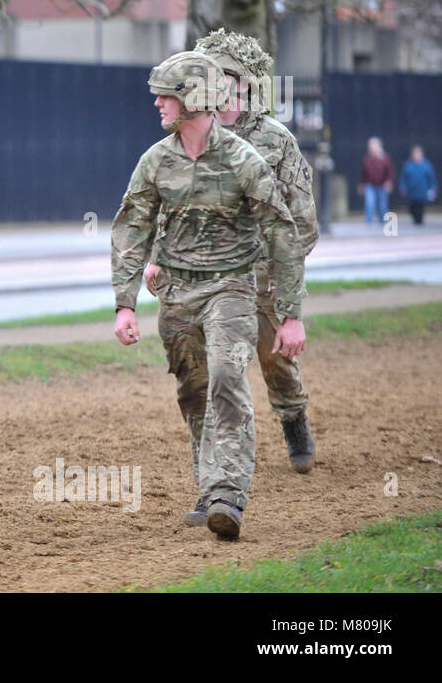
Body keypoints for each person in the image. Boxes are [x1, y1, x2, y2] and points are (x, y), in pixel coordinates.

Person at [112, 50, 307, 539]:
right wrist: (125, 302)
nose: (157, 103)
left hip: (232, 289)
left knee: (226, 377)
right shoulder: (155, 161)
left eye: (167, 95)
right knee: (193, 390)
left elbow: (284, 233)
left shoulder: (244, 159)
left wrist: (290, 315)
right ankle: (208, 485)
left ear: (194, 100)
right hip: (177, 296)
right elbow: (132, 227)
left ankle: (228, 494)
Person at [146, 29, 320, 488]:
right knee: (206, 372)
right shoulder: (190, 134)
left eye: (221, 76)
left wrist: (280, 283)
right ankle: (218, 474)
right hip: (203, 275)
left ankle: (292, 416)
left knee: (274, 357)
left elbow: (302, 223)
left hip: (261, 275)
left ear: (243, 83)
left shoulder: (274, 140)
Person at [359, 137, 394, 225]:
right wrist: (362, 184)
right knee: (370, 205)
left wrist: (389, 182)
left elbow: (390, 171)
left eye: (373, 146)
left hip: (382, 185)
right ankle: (369, 224)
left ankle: (383, 224)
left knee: (383, 207)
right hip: (370, 185)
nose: (371, 148)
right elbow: (363, 173)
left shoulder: (385, 158)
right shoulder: (367, 159)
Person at [399, 145, 437, 226]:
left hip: (422, 193)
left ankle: (419, 224)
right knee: (412, 209)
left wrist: (433, 189)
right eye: (415, 153)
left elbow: (431, 179)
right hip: (411, 193)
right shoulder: (408, 165)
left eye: (418, 153)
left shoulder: (426, 165)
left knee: (420, 210)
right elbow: (404, 178)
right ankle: (416, 221)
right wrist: (403, 188)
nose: (416, 155)